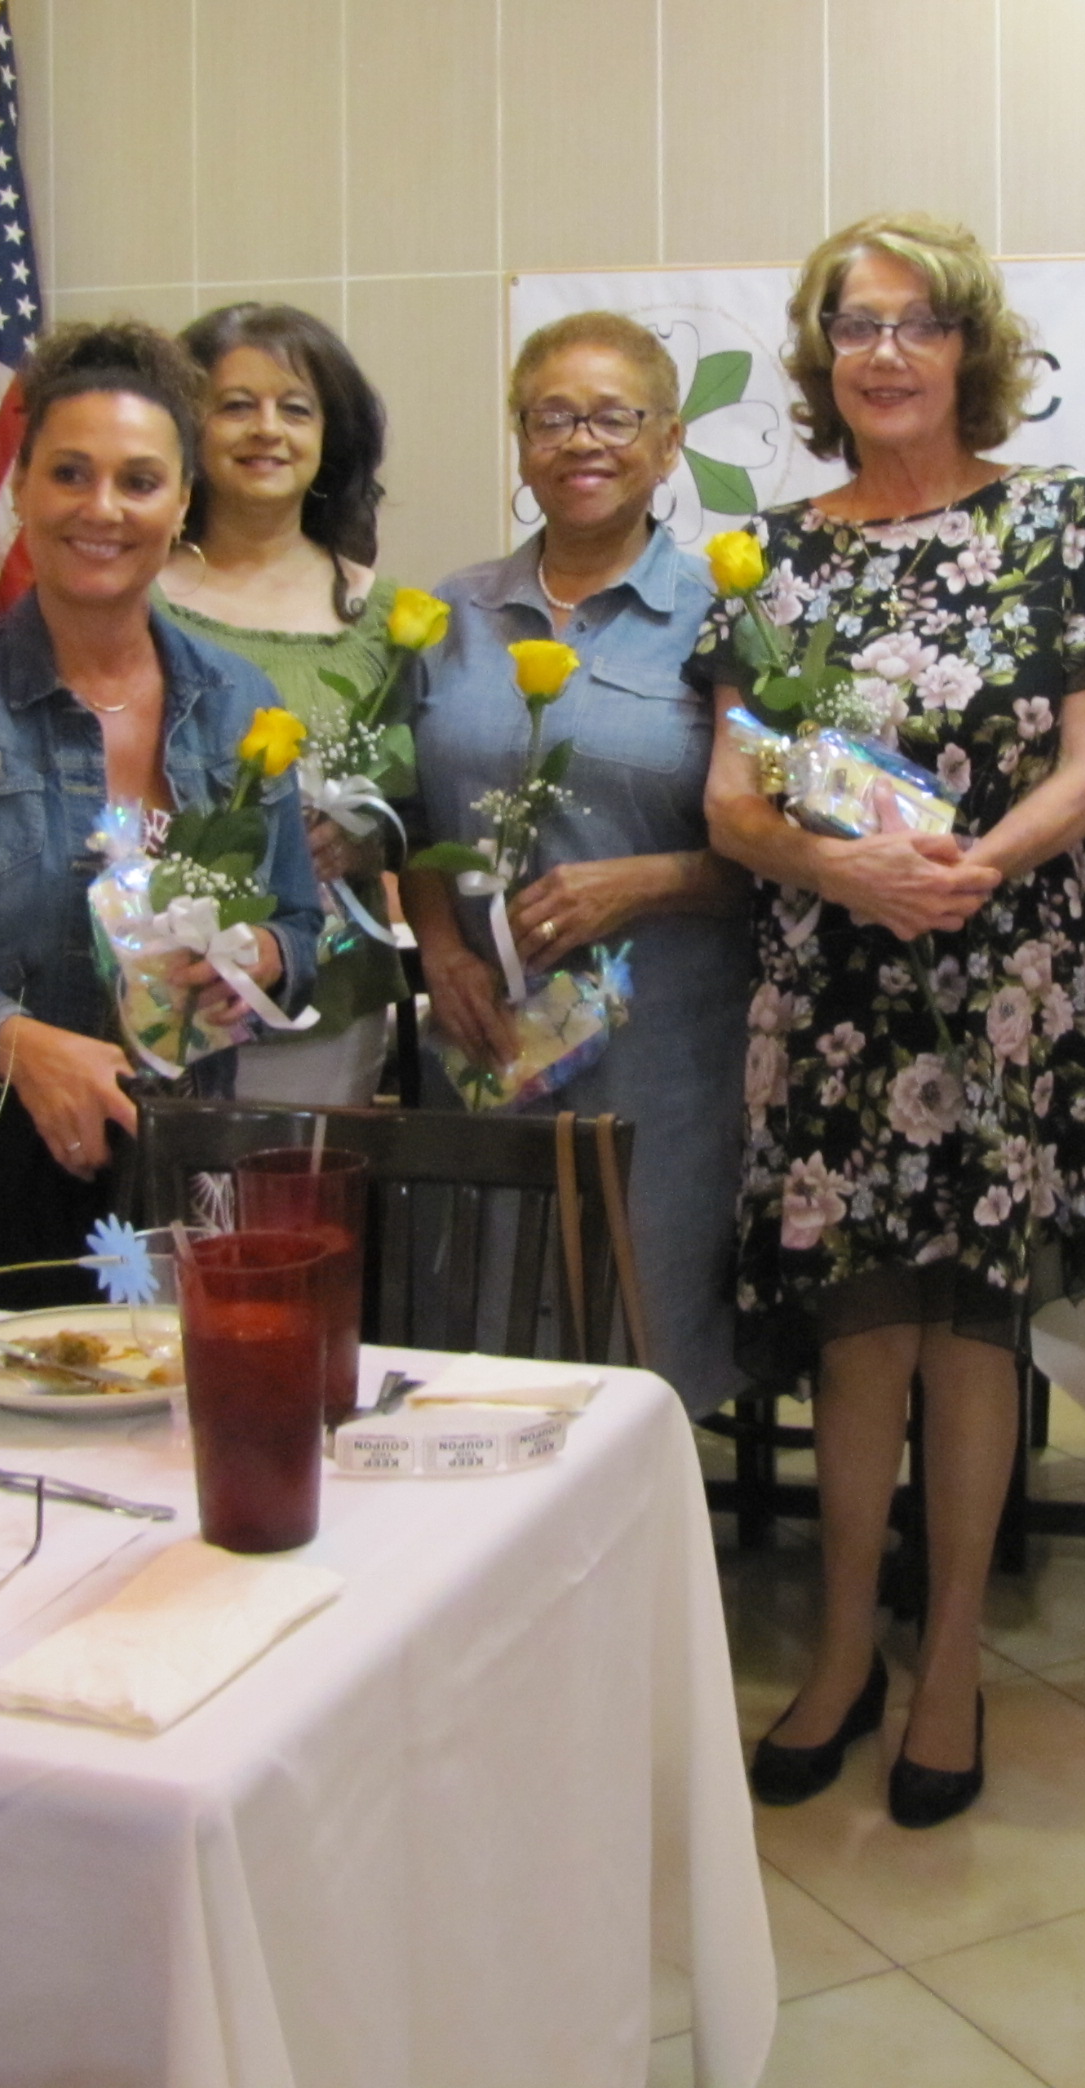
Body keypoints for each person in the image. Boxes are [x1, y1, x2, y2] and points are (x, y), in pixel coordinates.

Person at [695, 214, 1085, 1829]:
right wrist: (848, 871)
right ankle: (838, 1651)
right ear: (818, 359)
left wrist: (966, 865)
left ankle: (948, 1655)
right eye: (852, 324)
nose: (883, 350)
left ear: (969, 348)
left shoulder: (1056, 524)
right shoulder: (770, 552)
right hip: (832, 990)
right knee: (852, 1332)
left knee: (969, 1334)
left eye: (915, 322)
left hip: (1000, 979)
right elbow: (732, 802)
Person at [0, 321, 320, 1302]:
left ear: (183, 503)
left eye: (138, 481)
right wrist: (8, 1041)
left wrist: (259, 959)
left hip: (183, 1171)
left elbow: (298, 930)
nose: (103, 508)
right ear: (19, 491)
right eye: (70, 474)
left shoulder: (240, 701)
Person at [405, 313, 754, 1415]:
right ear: (520, 442)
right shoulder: (447, 616)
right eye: (554, 417)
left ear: (669, 443)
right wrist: (439, 946)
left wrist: (650, 879)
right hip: (484, 1050)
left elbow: (784, 852)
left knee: (641, 1363)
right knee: (484, 1353)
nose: (583, 442)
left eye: (616, 416)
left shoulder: (730, 620)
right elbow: (405, 812)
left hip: (667, 1061)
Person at [158, 303, 407, 1107]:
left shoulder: (386, 618)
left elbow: (425, 807)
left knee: (298, 1223)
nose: (267, 429)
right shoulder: (134, 597)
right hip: (161, 987)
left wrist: (363, 846)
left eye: (294, 408)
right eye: (235, 405)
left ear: (330, 434)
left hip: (328, 1006)